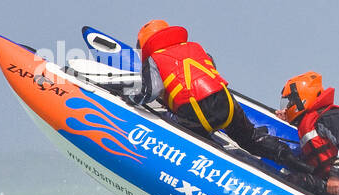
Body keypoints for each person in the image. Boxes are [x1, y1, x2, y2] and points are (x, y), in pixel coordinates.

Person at [129, 20, 301, 168]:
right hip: (226, 102)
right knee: (250, 139)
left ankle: (220, 165)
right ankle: (300, 165)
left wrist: (128, 98)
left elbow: (150, 92)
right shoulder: (196, 47)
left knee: (201, 143)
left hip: (197, 113)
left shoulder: (154, 58)